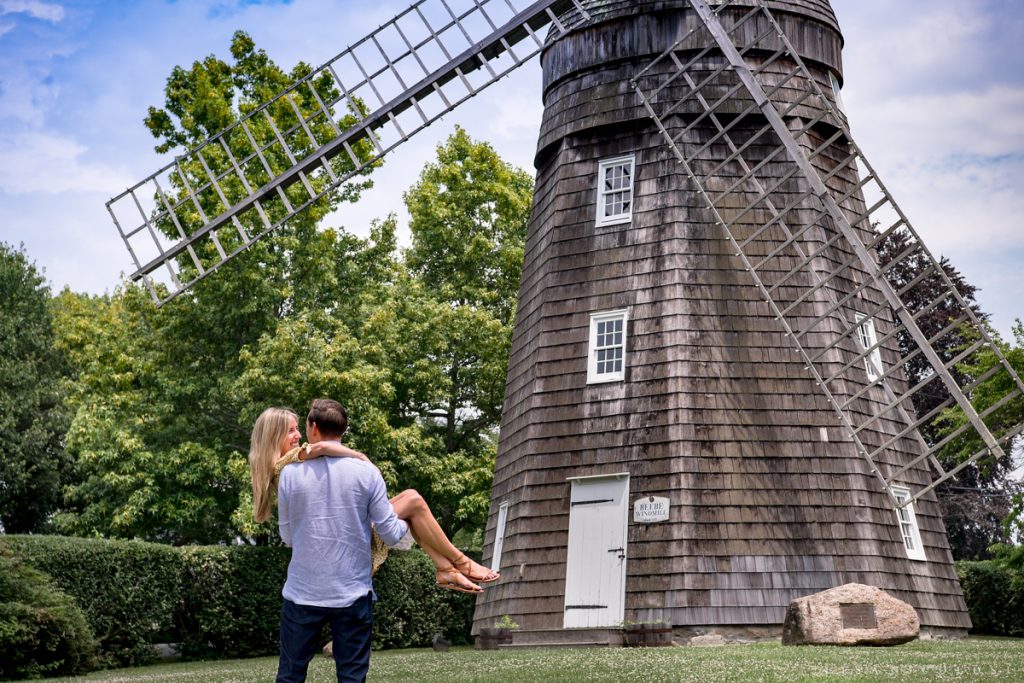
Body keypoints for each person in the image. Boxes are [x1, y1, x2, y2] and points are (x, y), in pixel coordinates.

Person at [249, 405, 500, 593]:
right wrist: (360, 457)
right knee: (413, 501)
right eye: (290, 431)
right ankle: (459, 562)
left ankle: (446, 569)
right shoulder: (288, 463)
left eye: (297, 429)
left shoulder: (283, 468)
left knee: (412, 505)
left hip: (335, 540)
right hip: (348, 538)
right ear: (273, 437)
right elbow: (322, 447)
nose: (298, 436)